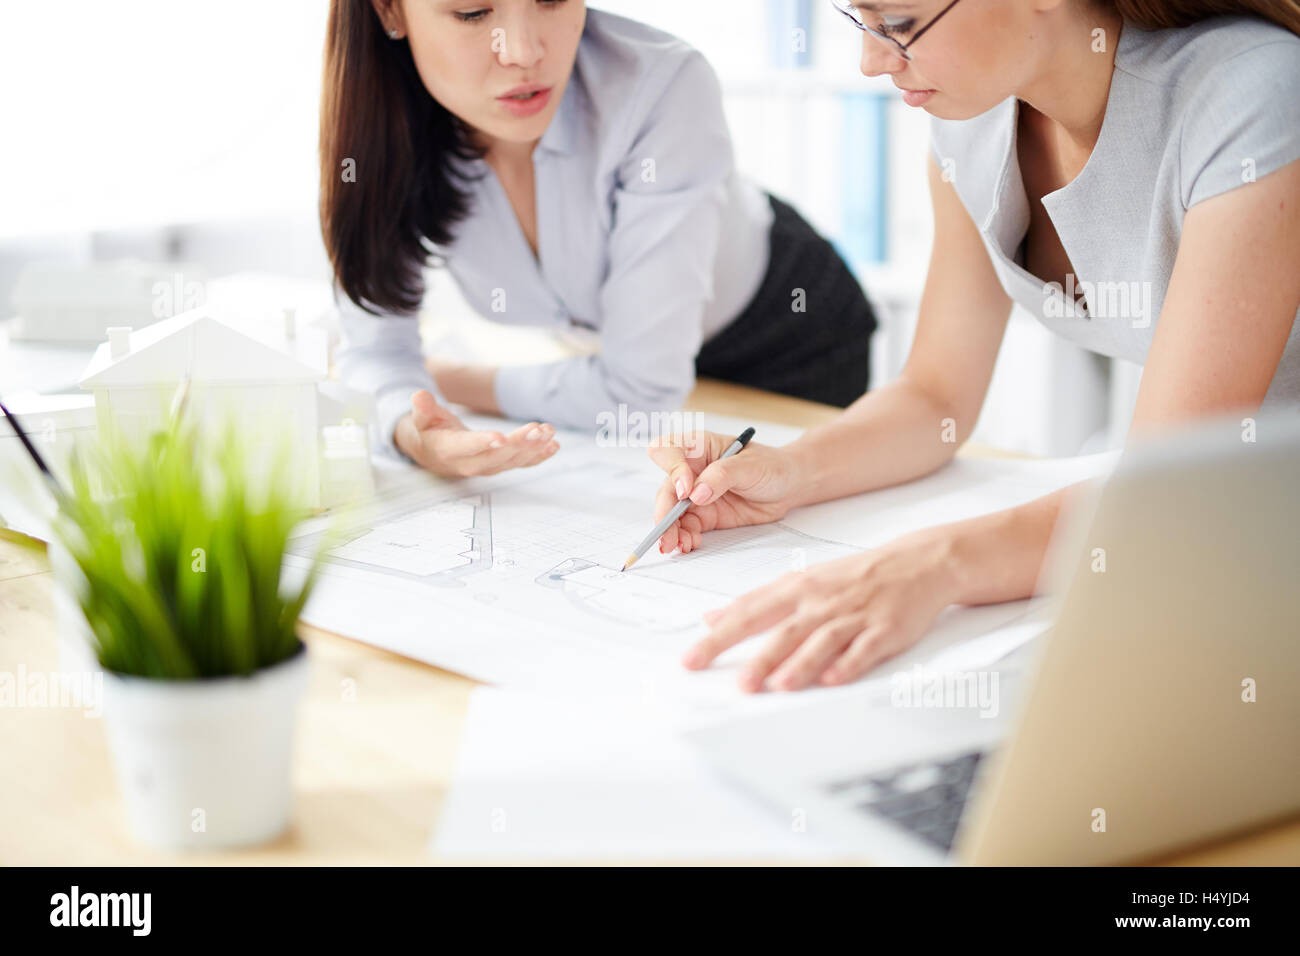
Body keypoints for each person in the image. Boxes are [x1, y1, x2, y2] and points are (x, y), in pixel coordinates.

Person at [647, 0, 1300, 692]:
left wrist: (934, 565)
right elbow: (935, 395)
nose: (872, 62)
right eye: (858, 22)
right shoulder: (976, 120)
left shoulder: (1252, 97)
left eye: (897, 25)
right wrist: (789, 471)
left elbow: (1169, 494)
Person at [319, 1, 878, 478]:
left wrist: (448, 380)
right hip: (625, 358)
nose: (521, 50)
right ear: (389, 9)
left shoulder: (661, 85)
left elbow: (638, 396)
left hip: (788, 332)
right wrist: (414, 431)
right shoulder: (377, 136)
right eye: (473, 10)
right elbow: (372, 354)